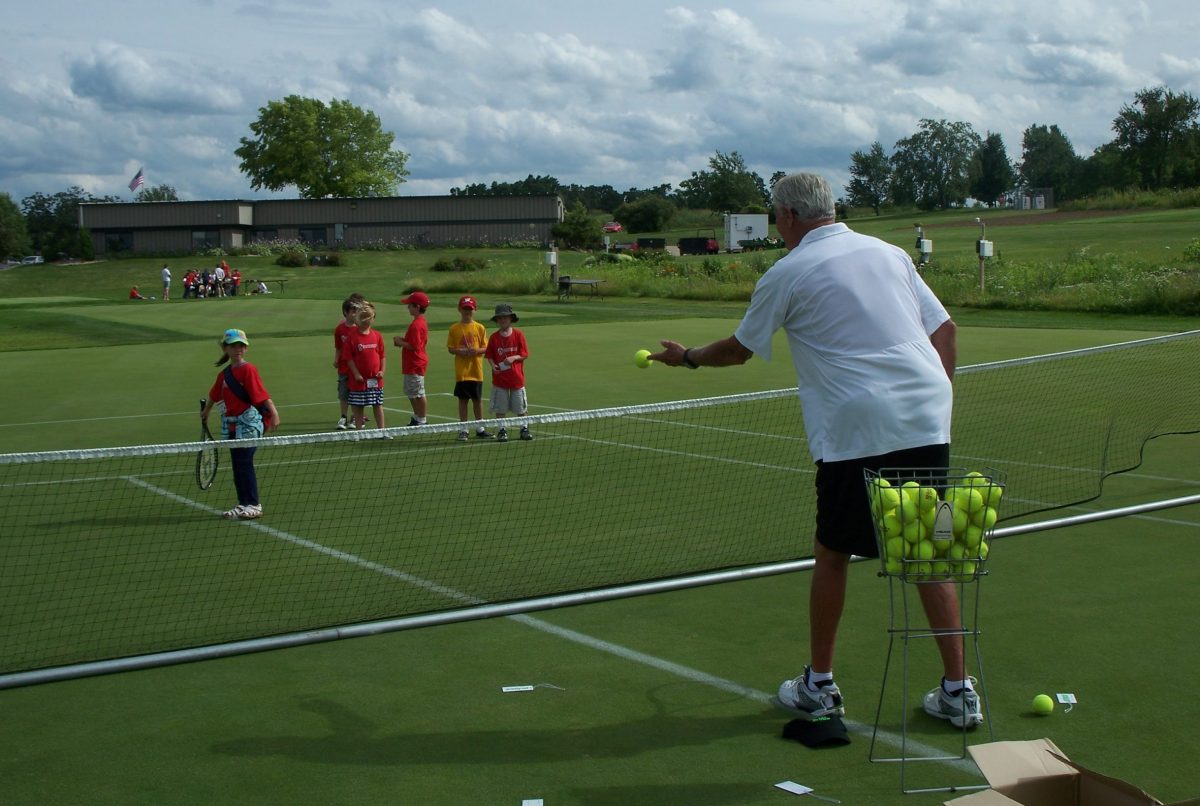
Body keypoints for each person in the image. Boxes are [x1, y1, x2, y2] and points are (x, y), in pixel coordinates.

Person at [649, 172, 976, 729]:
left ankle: (818, 686)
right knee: (926, 550)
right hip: (926, 415)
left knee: (832, 551)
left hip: (856, 426)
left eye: (775, 214)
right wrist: (933, 400)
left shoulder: (788, 270)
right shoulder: (890, 253)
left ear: (788, 217)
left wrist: (687, 358)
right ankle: (959, 692)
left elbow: (738, 350)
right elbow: (945, 331)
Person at [200, 328, 280, 520]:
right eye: (233, 346)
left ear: (245, 349)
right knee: (237, 464)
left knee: (244, 462)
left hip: (249, 424)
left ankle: (254, 504)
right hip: (232, 426)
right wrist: (206, 411)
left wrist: (274, 413)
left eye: (241, 346)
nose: (238, 350)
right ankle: (243, 503)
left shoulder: (248, 369)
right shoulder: (225, 374)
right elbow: (214, 394)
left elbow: (261, 394)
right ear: (225, 348)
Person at [447, 295, 493, 441]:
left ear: (474, 310)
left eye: (470, 309)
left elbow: (485, 347)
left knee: (477, 399)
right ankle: (464, 429)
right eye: (465, 309)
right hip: (462, 372)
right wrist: (460, 351)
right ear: (459, 309)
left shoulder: (479, 328)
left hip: (476, 370)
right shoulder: (454, 328)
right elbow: (451, 348)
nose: (467, 312)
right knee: (463, 400)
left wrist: (475, 351)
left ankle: (480, 428)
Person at [485, 303, 532, 443]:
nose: (503, 320)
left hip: (516, 379)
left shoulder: (518, 335)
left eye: (505, 317)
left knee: (520, 407)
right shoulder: (494, 338)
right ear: (497, 320)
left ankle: (524, 429)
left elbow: (524, 354)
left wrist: (513, 357)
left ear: (510, 319)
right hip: (500, 380)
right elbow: (489, 356)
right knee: (501, 408)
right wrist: (493, 367)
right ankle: (501, 430)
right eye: (500, 318)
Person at [342, 301, 387, 434]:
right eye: (363, 318)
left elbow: (382, 356)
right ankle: (359, 433)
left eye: (369, 318)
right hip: (359, 381)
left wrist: (382, 371)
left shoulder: (377, 336)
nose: (366, 321)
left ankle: (382, 431)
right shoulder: (352, 337)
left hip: (375, 380)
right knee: (358, 406)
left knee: (378, 405)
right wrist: (356, 374)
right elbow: (348, 358)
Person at [394, 291, 431, 426]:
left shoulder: (417, 324)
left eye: (410, 305)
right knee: (411, 391)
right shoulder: (418, 322)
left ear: (417, 307)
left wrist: (400, 342)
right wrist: (402, 340)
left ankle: (422, 418)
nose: (408, 307)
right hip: (412, 362)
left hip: (415, 362)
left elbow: (414, 346)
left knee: (418, 392)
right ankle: (417, 416)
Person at [333, 293, 364, 429]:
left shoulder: (359, 329)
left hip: (356, 368)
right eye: (352, 311)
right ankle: (343, 417)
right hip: (344, 367)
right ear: (345, 312)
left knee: (356, 394)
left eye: (356, 311)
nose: (355, 314)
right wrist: (336, 359)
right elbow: (338, 347)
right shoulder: (340, 329)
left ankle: (355, 418)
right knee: (344, 393)